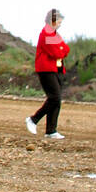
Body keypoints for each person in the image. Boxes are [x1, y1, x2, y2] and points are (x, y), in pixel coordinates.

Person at [25, 8, 70, 140]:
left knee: (55, 100)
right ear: (53, 20)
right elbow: (57, 53)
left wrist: (61, 48)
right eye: (59, 21)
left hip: (56, 70)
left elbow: (65, 49)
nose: (60, 24)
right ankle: (33, 119)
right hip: (46, 70)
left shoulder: (54, 34)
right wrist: (61, 49)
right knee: (54, 98)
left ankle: (51, 130)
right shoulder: (46, 34)